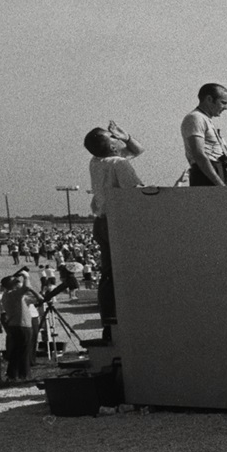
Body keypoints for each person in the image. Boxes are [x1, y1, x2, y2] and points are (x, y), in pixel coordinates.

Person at [84, 122, 144, 328]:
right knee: (126, 272)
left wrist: (125, 137)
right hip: (117, 223)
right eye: (113, 138)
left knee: (108, 275)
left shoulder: (97, 161)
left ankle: (109, 321)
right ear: (111, 146)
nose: (116, 139)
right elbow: (136, 192)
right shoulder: (119, 164)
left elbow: (138, 150)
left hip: (101, 222)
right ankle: (125, 320)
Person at [181, 83, 227, 186]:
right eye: (223, 103)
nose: (225, 107)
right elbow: (199, 154)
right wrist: (218, 183)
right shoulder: (195, 118)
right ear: (209, 99)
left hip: (214, 170)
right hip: (205, 174)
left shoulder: (205, 119)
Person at [0, 274, 40, 382]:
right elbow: (26, 287)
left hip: (16, 324)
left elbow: (38, 299)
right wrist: (26, 277)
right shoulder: (12, 294)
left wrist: (29, 288)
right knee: (24, 351)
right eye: (15, 281)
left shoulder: (9, 295)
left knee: (17, 350)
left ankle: (13, 374)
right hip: (22, 325)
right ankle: (24, 375)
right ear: (11, 284)